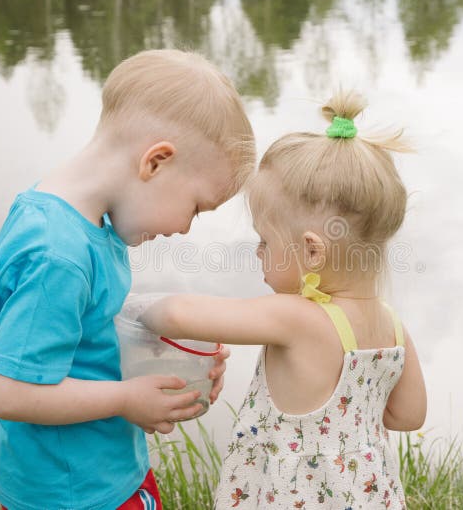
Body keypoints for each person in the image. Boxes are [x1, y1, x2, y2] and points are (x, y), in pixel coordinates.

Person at [0, 49, 255, 510]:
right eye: (196, 208)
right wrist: (128, 398)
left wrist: (170, 351)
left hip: (100, 473)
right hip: (71, 494)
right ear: (156, 162)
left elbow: (85, 323)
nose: (185, 228)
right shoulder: (57, 252)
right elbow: (9, 391)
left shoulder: (84, 225)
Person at [141, 90, 427, 509]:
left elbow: (177, 313)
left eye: (264, 239)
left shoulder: (297, 317)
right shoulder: (394, 326)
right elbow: (408, 416)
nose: (258, 251)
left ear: (312, 251)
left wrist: (124, 305)